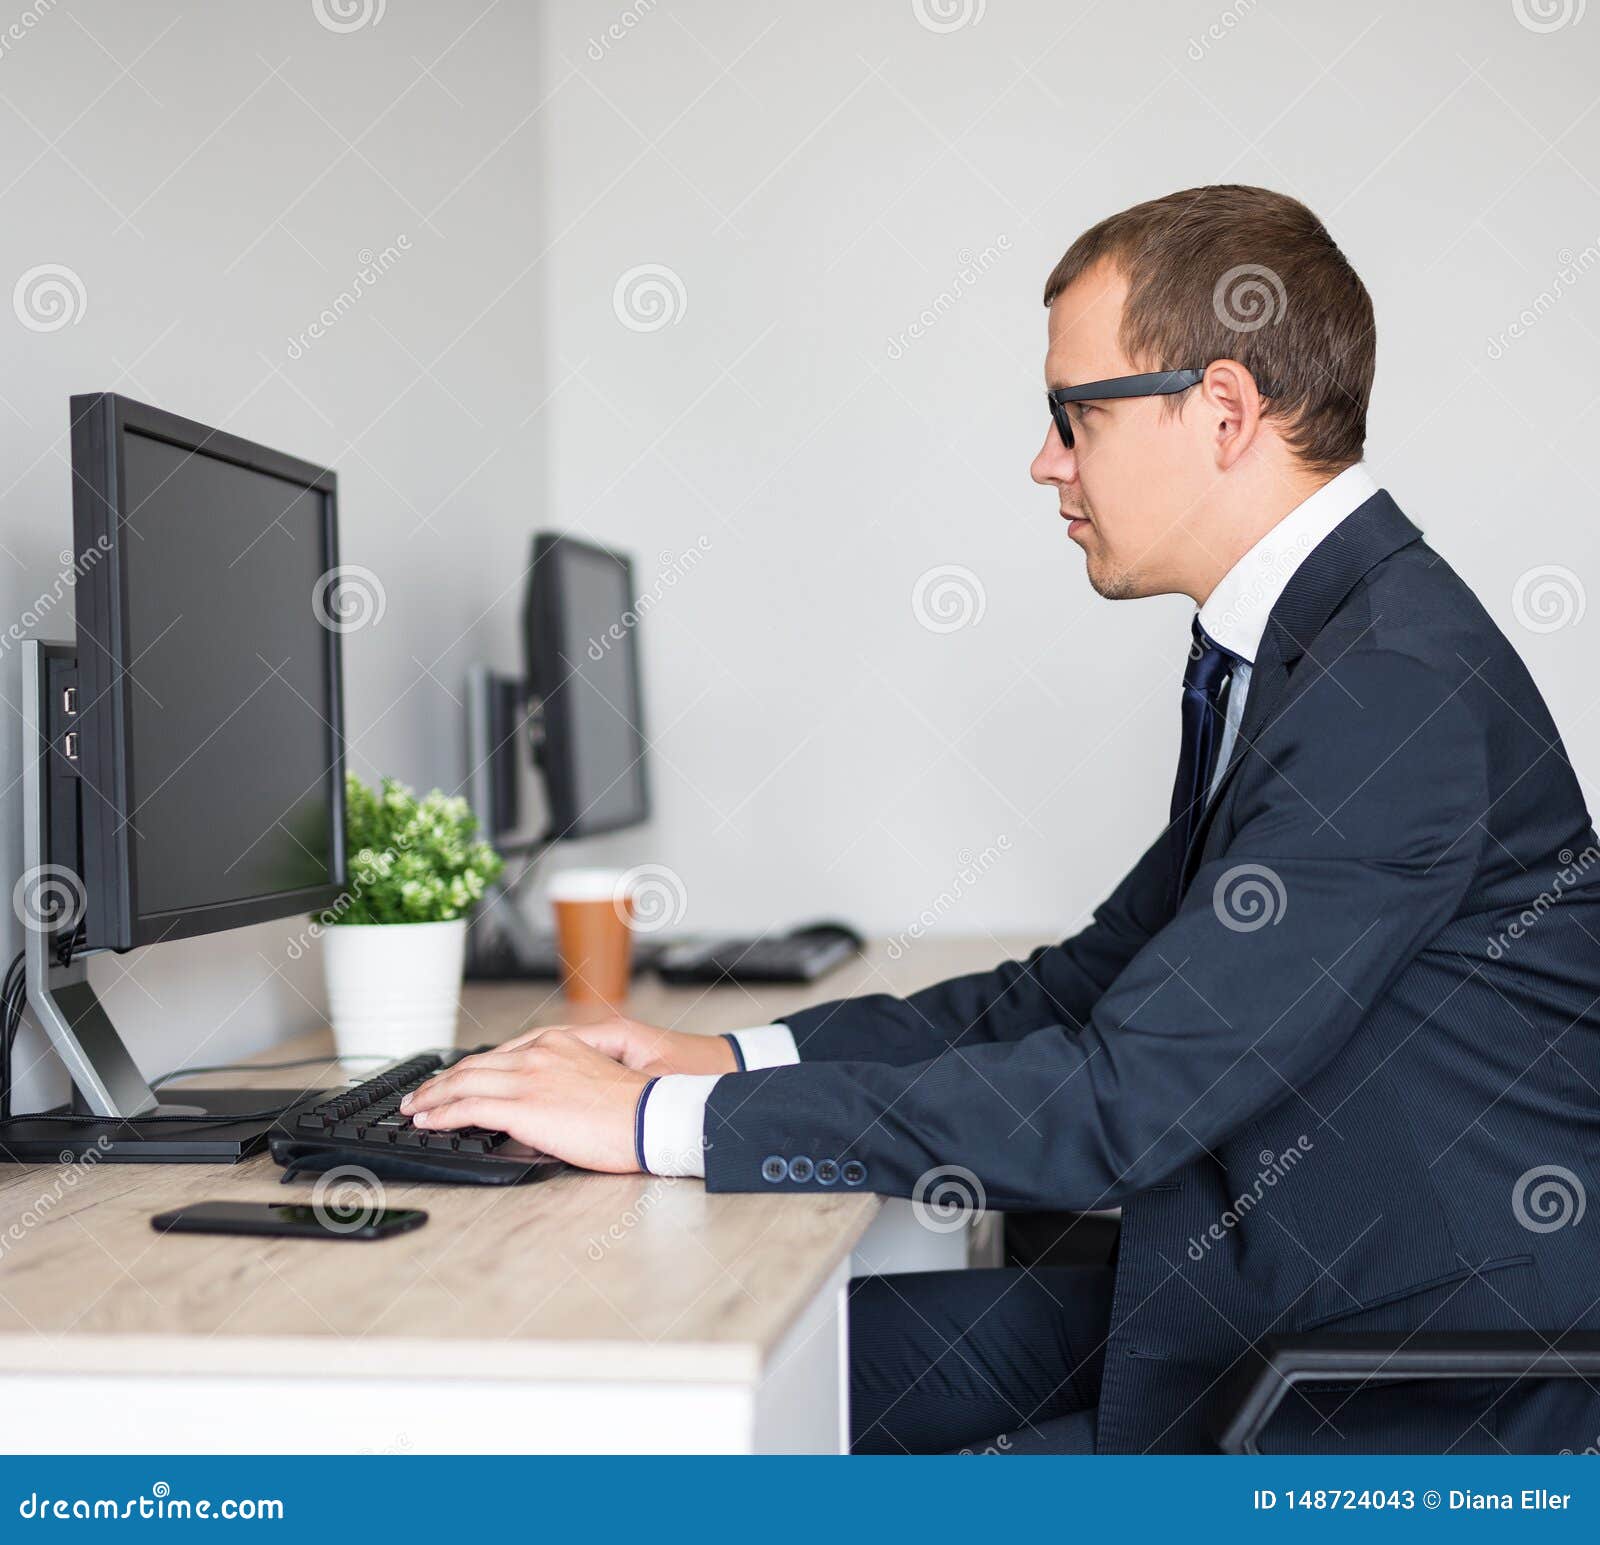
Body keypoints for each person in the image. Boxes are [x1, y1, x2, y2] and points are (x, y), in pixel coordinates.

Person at [401, 185, 1600, 1454]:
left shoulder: (1386, 690)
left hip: (1397, 1386)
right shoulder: (1308, 650)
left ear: (1226, 409)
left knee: (754, 1437)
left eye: (1072, 417)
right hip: (1272, 1298)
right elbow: (1089, 986)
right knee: (744, 1379)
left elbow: (1120, 1103)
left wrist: (654, 1129)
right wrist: (734, 1063)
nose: (1046, 461)